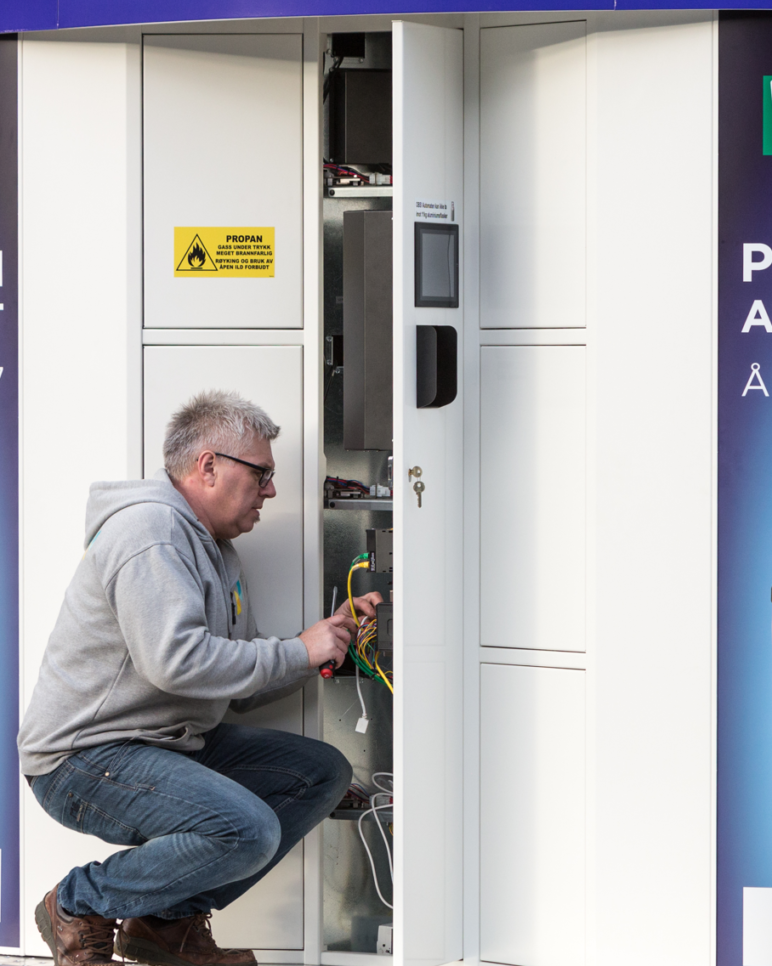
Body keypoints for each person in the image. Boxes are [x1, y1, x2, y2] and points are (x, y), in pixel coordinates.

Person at [17, 389, 381, 966]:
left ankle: (165, 926)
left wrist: (318, 647)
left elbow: (241, 686)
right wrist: (296, 650)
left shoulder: (217, 550)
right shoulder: (151, 533)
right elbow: (177, 663)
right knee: (247, 830)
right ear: (209, 466)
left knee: (321, 773)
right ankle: (77, 901)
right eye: (261, 473)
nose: (271, 490)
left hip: (167, 744)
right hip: (82, 757)